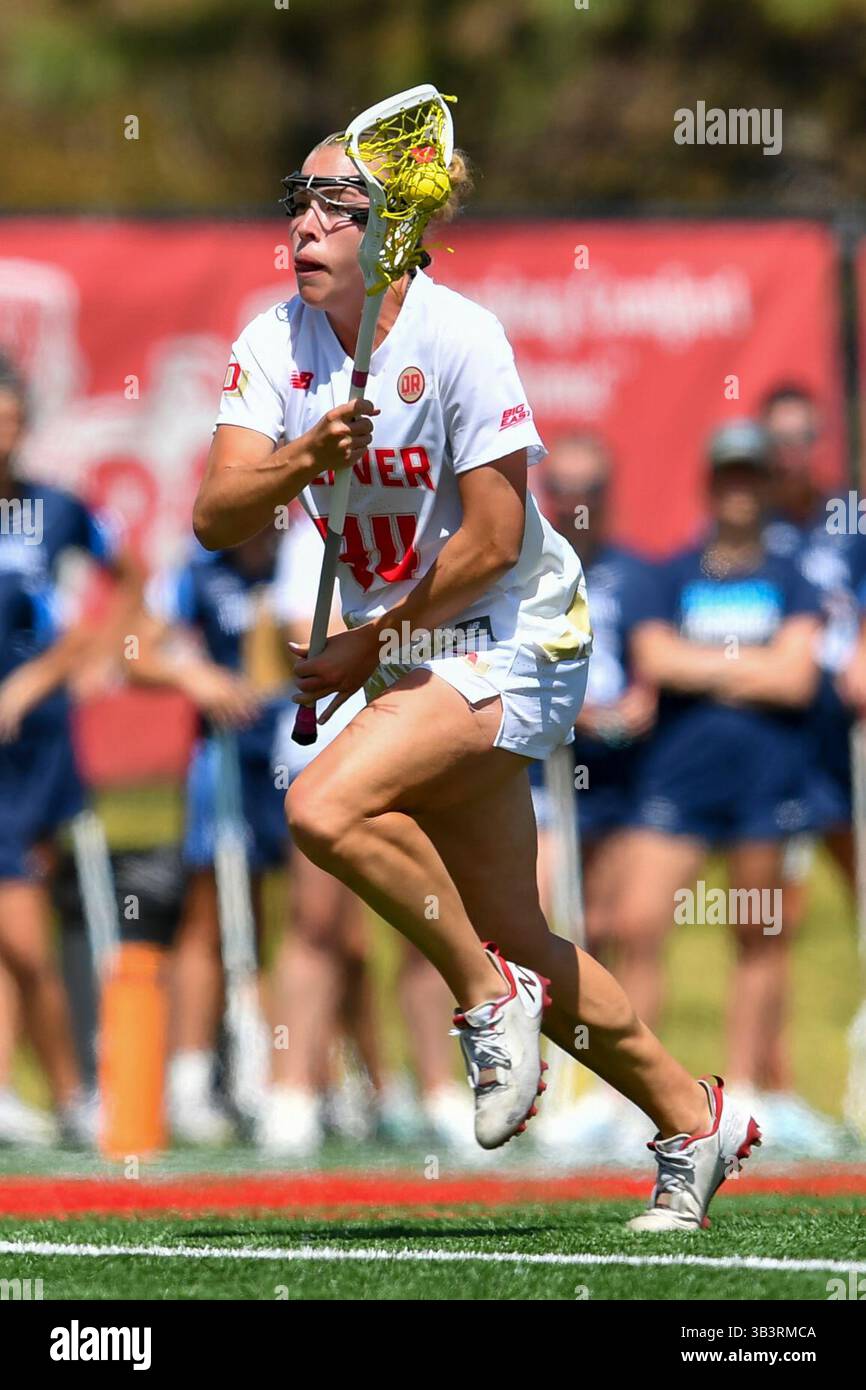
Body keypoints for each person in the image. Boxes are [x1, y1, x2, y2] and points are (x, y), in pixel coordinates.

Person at [192, 130, 761, 1232]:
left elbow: (496, 538)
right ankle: (693, 1123)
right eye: (296, 201)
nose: (302, 225)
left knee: (320, 804)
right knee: (517, 927)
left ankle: (485, 999)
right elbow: (217, 516)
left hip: (515, 632)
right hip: (410, 646)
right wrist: (305, 456)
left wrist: (371, 641)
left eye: (333, 206)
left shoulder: (461, 335)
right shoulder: (274, 339)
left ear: (389, 227)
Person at [611, 420, 823, 1146]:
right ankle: (633, 1098)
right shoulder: (670, 572)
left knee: (759, 933)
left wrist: (704, 666)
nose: (739, 490)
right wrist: (749, 668)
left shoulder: (792, 575)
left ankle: (745, 1094)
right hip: (679, 778)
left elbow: (797, 678)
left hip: (769, 777)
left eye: (751, 476)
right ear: (711, 484)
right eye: (728, 476)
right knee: (637, 924)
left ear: (766, 485)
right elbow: (655, 659)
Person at [267, 508, 475, 1155]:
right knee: (319, 925)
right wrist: (407, 637)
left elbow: (471, 630)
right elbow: (310, 639)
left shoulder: (444, 530)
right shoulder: (314, 536)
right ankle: (292, 1092)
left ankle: (439, 1093)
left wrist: (392, 639)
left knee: (429, 921)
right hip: (333, 742)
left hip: (427, 735)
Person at [134, 529, 290, 1143]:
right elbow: (137, 652)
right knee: (211, 916)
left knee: (324, 924)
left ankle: (317, 1081)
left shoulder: (310, 558)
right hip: (225, 757)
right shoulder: (197, 572)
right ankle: (192, 1080)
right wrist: (194, 676)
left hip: (302, 751)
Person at [531, 435, 658, 1157]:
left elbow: (653, 659)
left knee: (622, 927)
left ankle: (624, 1093)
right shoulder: (525, 570)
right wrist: (572, 714)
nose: (575, 504)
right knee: (553, 925)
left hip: (624, 779)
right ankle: (556, 1088)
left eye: (590, 489)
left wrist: (641, 701)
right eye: (562, 489)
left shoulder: (638, 574)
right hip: (547, 775)